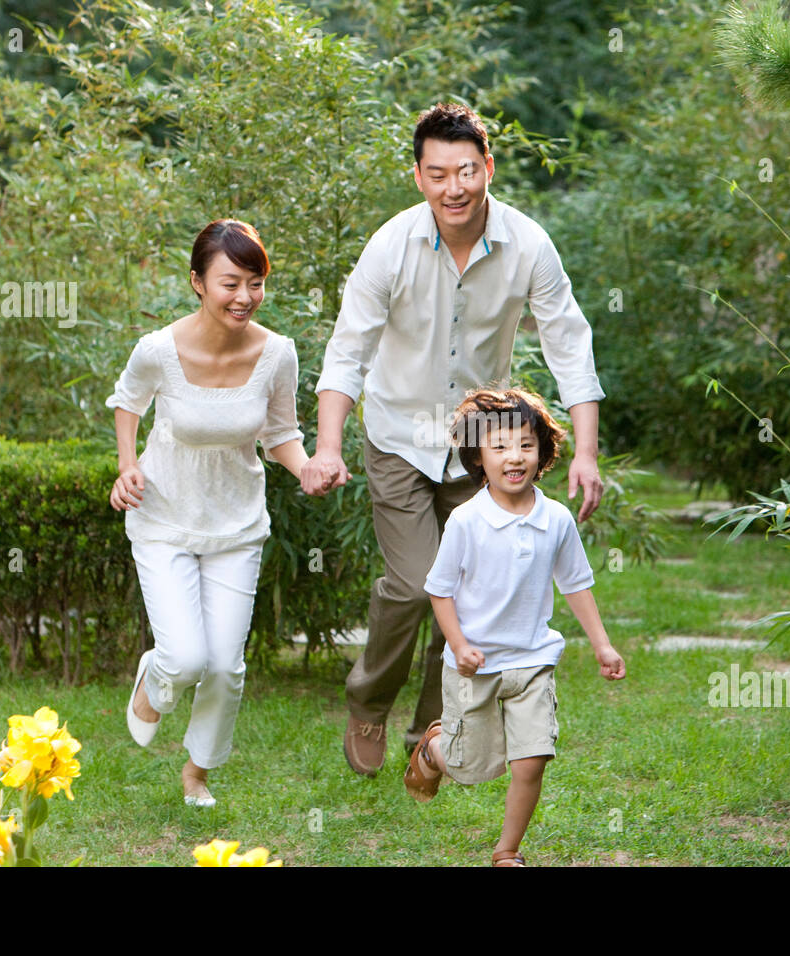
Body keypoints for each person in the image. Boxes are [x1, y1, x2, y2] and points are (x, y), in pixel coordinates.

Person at [300, 102, 607, 776]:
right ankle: (367, 701)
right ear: (419, 177)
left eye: (467, 170)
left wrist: (583, 451)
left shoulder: (528, 243)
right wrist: (326, 446)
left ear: (488, 168)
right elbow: (348, 349)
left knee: (466, 598)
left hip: (478, 445)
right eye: (438, 173)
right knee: (414, 586)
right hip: (397, 437)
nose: (454, 187)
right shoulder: (391, 245)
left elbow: (569, 344)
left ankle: (429, 728)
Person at [107, 219, 307, 807]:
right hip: (164, 517)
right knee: (185, 657)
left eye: (255, 283)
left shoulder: (277, 354)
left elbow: (282, 434)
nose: (245, 297)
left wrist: (308, 468)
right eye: (230, 283)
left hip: (237, 525)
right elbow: (127, 401)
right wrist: (126, 466)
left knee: (224, 665)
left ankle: (197, 772)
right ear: (197, 282)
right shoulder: (159, 350)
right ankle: (157, 677)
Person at [403, 387, 626, 866]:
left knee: (531, 760)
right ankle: (436, 748)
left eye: (526, 444)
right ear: (478, 457)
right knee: (471, 768)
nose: (514, 456)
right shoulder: (466, 520)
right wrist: (459, 645)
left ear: (543, 451)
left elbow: (576, 584)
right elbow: (439, 590)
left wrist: (603, 646)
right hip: (474, 665)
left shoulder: (556, 519)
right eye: (500, 446)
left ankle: (507, 852)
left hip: (533, 659)